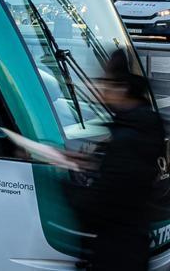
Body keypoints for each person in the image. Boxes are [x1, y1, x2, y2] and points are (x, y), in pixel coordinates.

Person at [67, 50, 166, 271]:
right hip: (134, 247)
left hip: (116, 256)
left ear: (122, 88)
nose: (100, 89)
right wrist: (93, 161)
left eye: (105, 82)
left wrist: (68, 181)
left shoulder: (126, 138)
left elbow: (99, 205)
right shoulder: (146, 125)